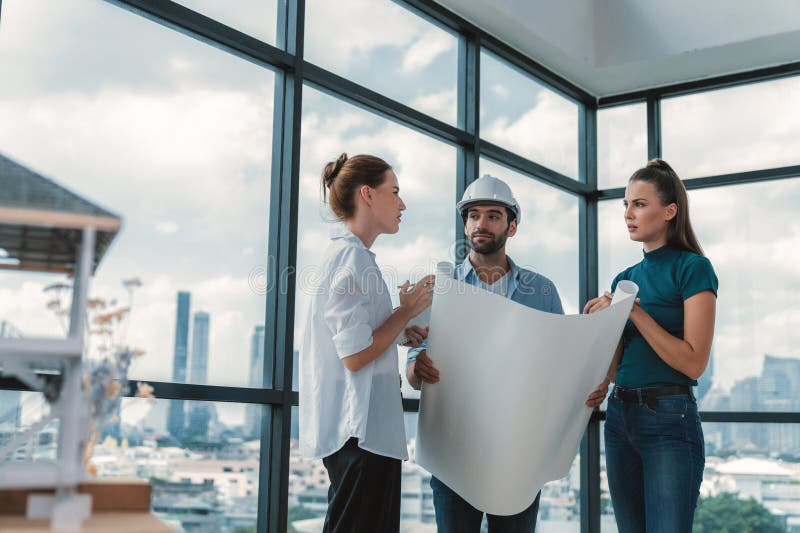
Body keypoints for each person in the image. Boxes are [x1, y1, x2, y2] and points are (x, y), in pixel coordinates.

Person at [407, 174, 563, 533]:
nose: (482, 223)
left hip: (518, 454)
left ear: (512, 226)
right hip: (454, 451)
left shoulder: (542, 292)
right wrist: (421, 367)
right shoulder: (440, 289)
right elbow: (413, 374)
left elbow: (556, 366)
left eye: (494, 215)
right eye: (474, 214)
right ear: (465, 224)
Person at [299, 153, 433, 533]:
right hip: (361, 438)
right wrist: (404, 312)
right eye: (394, 192)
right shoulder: (351, 259)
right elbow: (355, 356)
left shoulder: (352, 257)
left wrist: (401, 329)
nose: (402, 203)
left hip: (362, 437)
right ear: (367, 195)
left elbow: (360, 340)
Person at [584, 159, 718, 533]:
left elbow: (693, 363)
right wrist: (600, 323)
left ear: (669, 211)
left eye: (639, 204)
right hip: (620, 416)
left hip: (669, 419)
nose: (628, 214)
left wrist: (634, 313)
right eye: (625, 204)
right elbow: (614, 367)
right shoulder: (624, 278)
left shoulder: (694, 269)